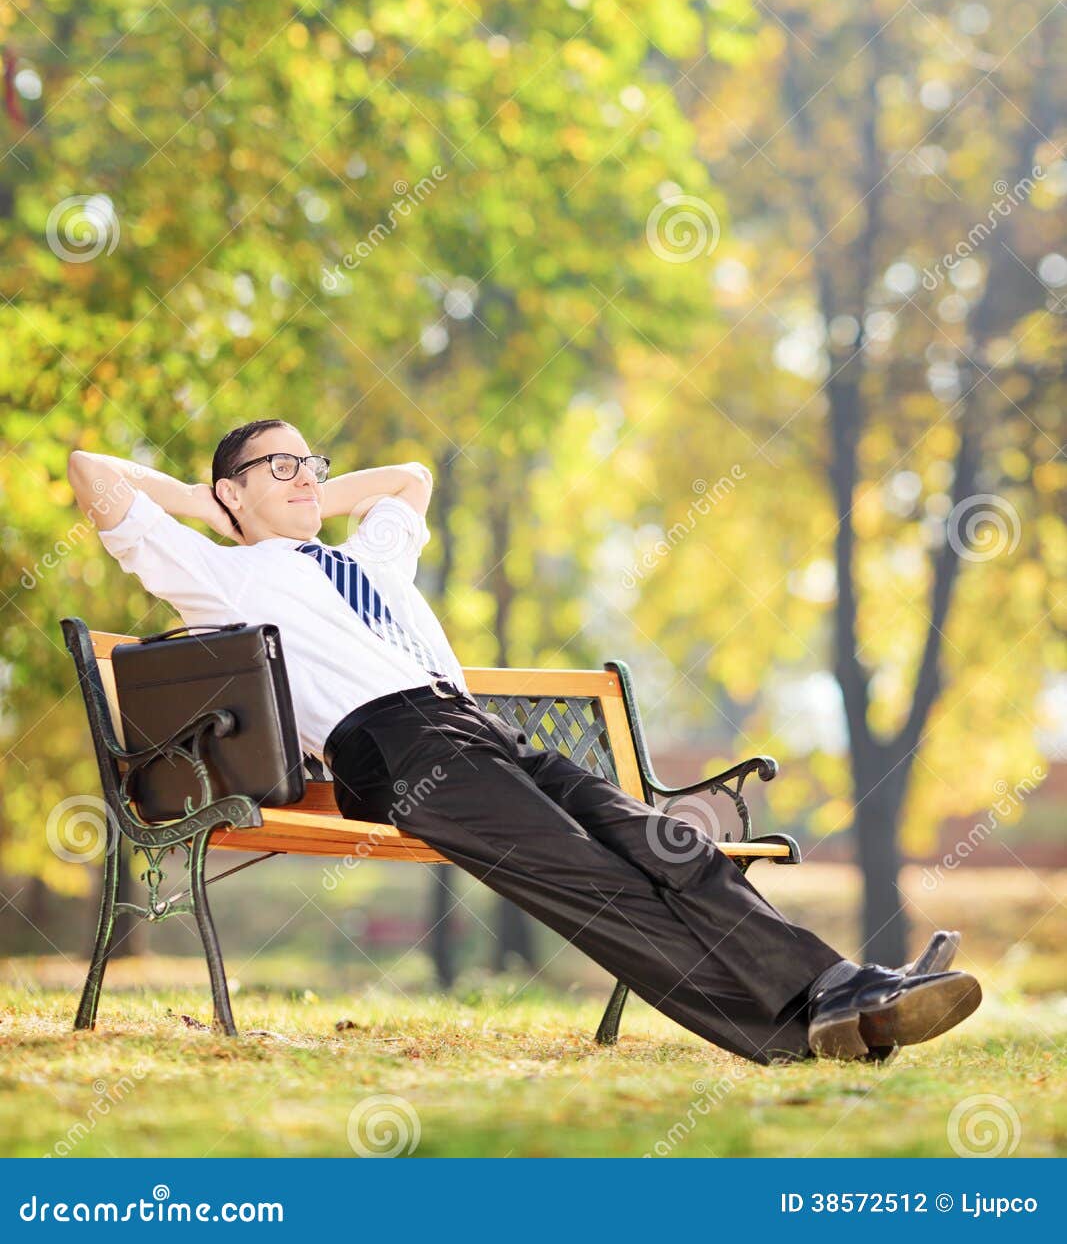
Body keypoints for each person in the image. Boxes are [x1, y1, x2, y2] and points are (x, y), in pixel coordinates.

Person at [68, 417, 982, 1065]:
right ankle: (793, 1029)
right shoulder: (222, 578)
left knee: (663, 844)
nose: (308, 476)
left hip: (477, 730)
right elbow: (91, 471)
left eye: (313, 461)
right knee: (595, 882)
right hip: (397, 751)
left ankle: (843, 994)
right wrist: (202, 502)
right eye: (281, 467)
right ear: (230, 492)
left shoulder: (367, 559)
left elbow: (408, 479)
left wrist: (289, 485)